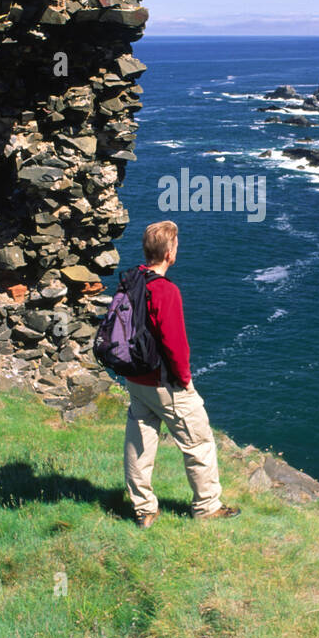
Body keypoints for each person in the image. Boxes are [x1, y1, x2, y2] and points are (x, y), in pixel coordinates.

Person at [123, 220, 241, 528]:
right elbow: (175, 344)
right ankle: (207, 506)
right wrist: (185, 380)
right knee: (199, 442)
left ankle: (144, 509)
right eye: (176, 246)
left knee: (141, 442)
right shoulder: (166, 291)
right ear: (169, 254)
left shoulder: (132, 280)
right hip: (165, 382)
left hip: (135, 378)